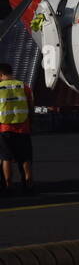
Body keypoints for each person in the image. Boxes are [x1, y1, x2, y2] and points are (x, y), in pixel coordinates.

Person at [0, 62, 35, 194]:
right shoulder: (24, 86)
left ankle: (9, 185)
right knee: (25, 157)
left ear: (1, 74)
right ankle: (29, 183)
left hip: (4, 129)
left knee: (6, 158)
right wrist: (31, 122)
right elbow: (31, 106)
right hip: (23, 128)